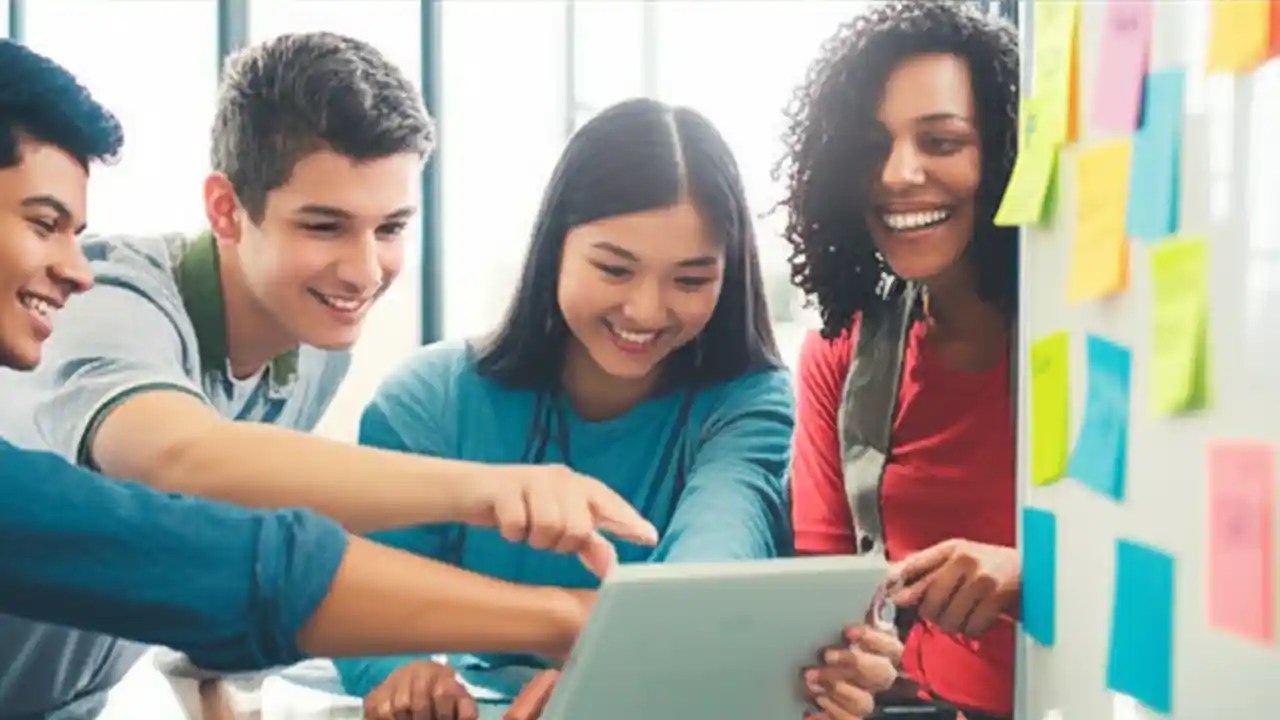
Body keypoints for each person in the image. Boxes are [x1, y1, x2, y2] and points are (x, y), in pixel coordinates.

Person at [0, 34, 655, 719]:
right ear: (226, 209)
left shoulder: (316, 343)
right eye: (324, 226)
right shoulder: (106, 303)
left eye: (390, 228)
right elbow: (182, 465)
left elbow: (205, 564)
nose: (364, 271)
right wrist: (493, 495)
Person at [332, 98, 901, 720]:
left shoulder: (747, 401)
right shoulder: (428, 400)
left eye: (690, 280)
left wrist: (598, 683)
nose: (646, 311)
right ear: (555, 248)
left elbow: (708, 571)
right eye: (613, 268)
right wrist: (404, 677)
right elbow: (361, 596)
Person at [778, 2, 1021, 719]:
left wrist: (1034, 577)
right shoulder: (840, 354)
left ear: (1007, 150)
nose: (899, 174)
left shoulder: (1090, 341)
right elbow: (823, 600)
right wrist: (841, 671)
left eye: (942, 142)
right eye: (871, 147)